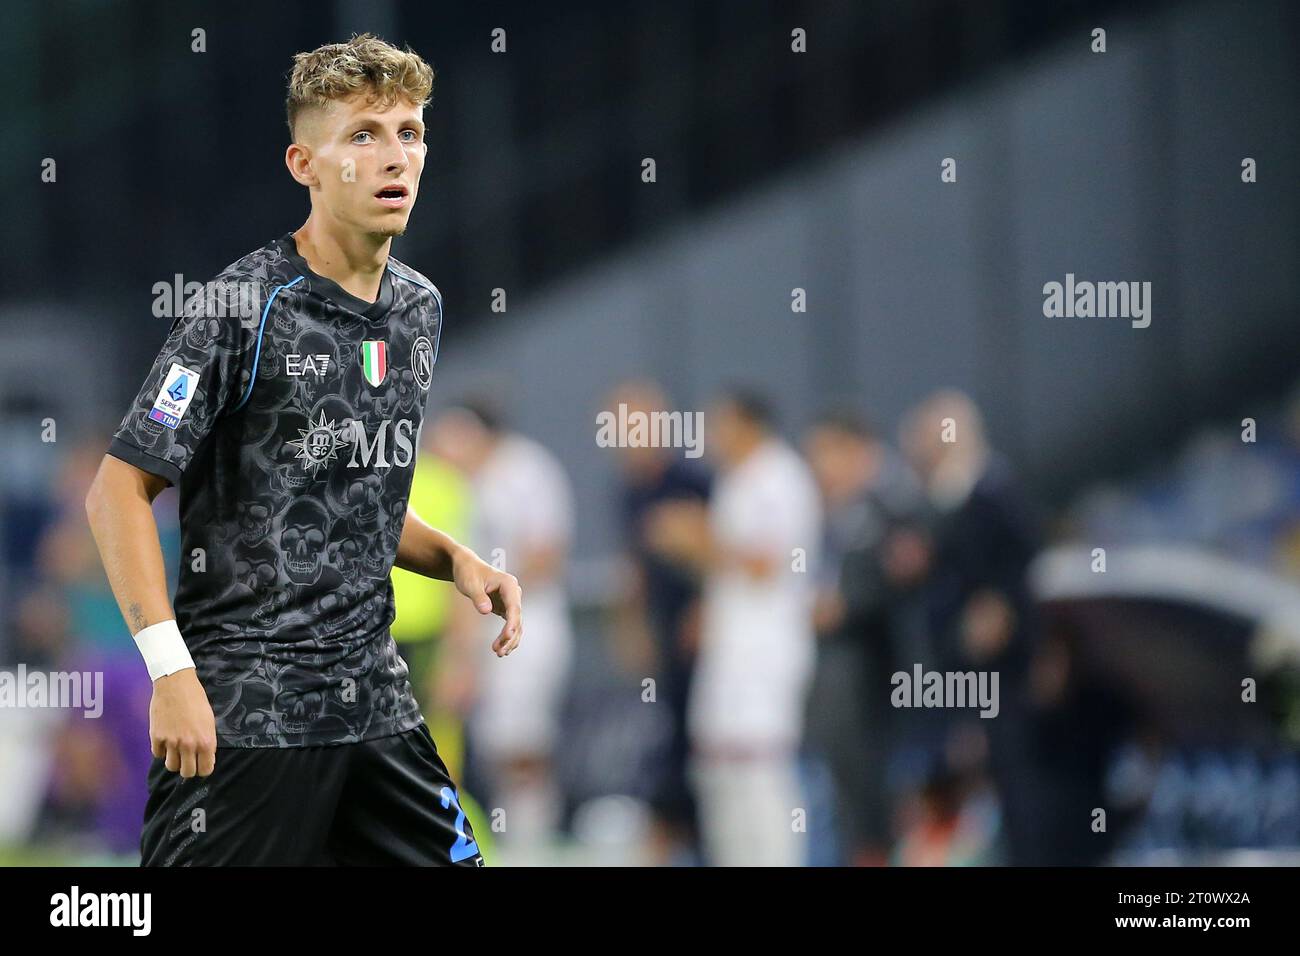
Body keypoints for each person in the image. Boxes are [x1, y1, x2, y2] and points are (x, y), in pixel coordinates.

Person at [84, 34, 522, 866]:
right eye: (363, 135)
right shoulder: (241, 308)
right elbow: (117, 494)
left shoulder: (417, 309)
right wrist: (171, 673)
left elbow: (351, 499)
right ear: (304, 164)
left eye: (411, 131)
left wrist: (458, 559)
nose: (396, 155)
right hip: (247, 716)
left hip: (379, 712)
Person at [648, 389, 821, 866]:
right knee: (716, 764)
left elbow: (765, 563)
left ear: (748, 424)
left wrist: (697, 536)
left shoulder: (777, 476)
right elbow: (730, 568)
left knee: (759, 767)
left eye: (720, 423)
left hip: (766, 649)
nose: (710, 435)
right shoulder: (736, 480)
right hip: (730, 649)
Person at [432, 401, 575, 859]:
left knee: (522, 743)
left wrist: (501, 593)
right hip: (484, 630)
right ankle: (516, 842)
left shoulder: (526, 471)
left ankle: (532, 841)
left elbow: (546, 552)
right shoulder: (464, 485)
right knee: (495, 745)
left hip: (529, 624)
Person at [607, 379, 711, 864]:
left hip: (702, 638)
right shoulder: (629, 490)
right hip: (666, 635)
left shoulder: (694, 480)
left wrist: (706, 608)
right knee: (667, 740)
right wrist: (632, 627)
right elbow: (636, 570)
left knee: (702, 742)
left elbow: (720, 552)